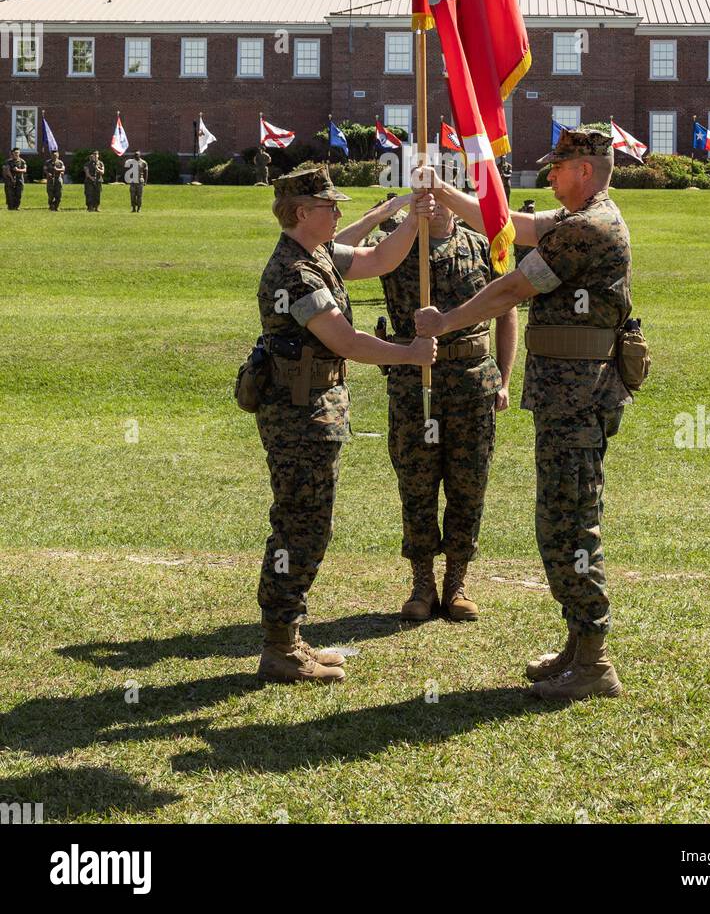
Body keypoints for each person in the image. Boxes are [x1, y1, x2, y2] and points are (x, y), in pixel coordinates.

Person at [415, 128, 633, 703]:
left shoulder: (589, 227)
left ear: (583, 170)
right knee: (560, 520)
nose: (549, 178)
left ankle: (594, 662)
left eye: (557, 169)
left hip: (577, 403)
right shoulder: (583, 217)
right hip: (570, 400)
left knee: (569, 524)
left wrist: (447, 321)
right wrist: (446, 189)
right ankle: (578, 647)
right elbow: (517, 225)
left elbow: (512, 287)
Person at [253, 163, 436, 685]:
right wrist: (411, 353)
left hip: (314, 409)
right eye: (331, 206)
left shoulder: (315, 256)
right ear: (303, 212)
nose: (338, 213)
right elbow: (347, 343)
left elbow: (380, 258)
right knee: (300, 526)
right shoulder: (296, 272)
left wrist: (412, 220)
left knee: (309, 523)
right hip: (299, 415)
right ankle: (280, 648)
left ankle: (287, 640)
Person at [338, 196, 517, 622]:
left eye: (441, 196)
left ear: (457, 202)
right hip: (415, 383)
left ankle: (457, 582)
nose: (434, 205)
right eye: (424, 197)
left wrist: (505, 380)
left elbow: (507, 310)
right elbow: (333, 254)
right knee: (416, 485)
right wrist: (385, 215)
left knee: (468, 484)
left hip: (473, 382)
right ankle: (422, 583)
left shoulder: (483, 246)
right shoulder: (397, 249)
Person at [513, 198, 537, 267]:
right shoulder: (521, 217)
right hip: (521, 250)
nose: (531, 210)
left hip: (531, 250)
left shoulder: (535, 217)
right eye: (529, 208)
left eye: (532, 208)